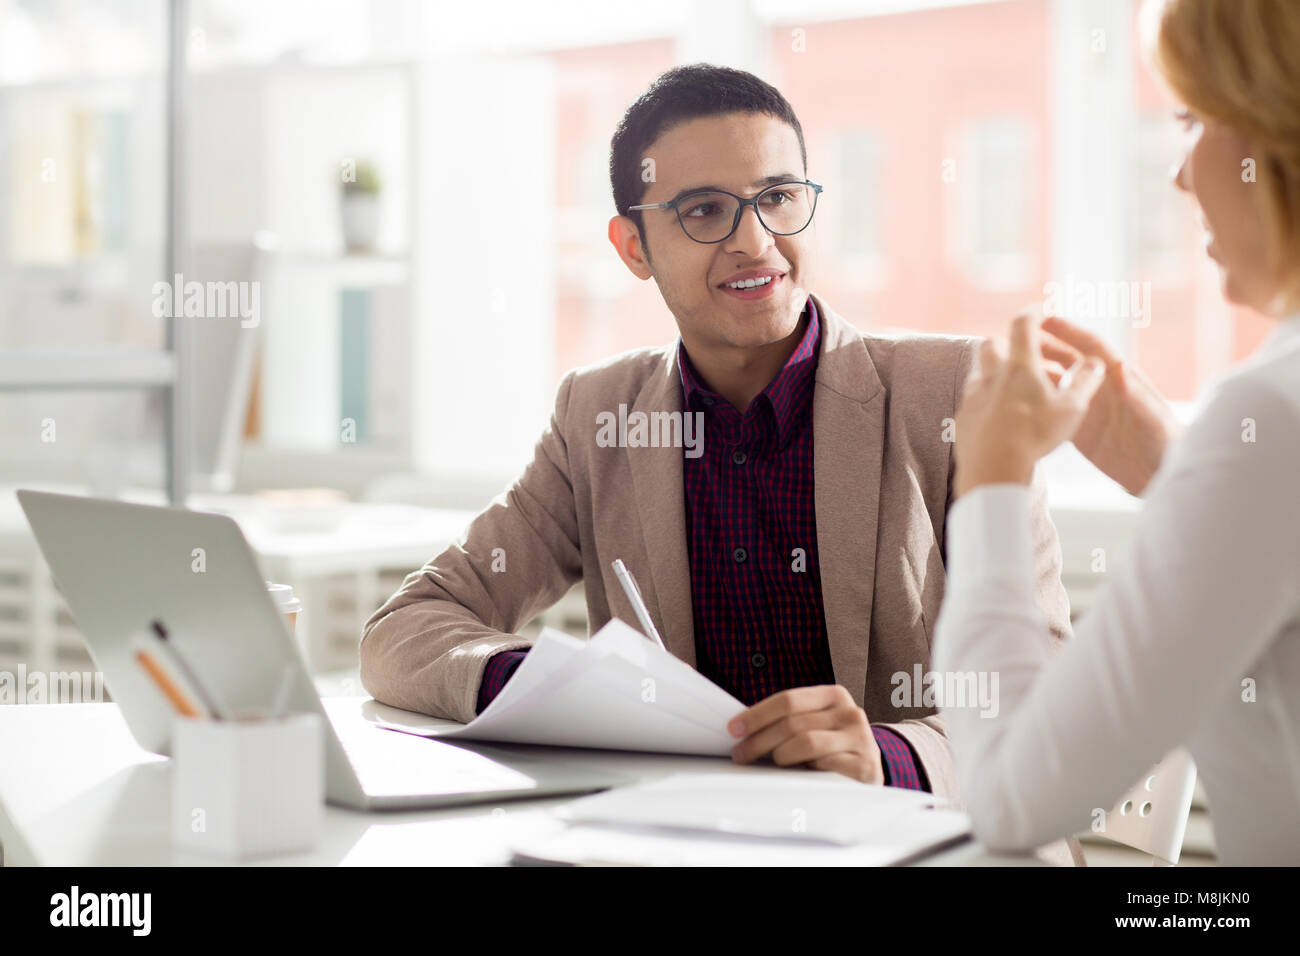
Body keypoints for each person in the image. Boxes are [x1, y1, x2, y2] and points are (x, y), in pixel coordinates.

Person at [361, 64, 1081, 862]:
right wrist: (550, 691)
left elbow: (1048, 701)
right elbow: (404, 632)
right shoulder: (598, 416)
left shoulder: (951, 392)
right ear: (632, 245)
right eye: (704, 210)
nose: (755, 241)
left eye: (777, 197)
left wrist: (891, 756)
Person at [935, 0, 1300, 865]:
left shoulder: (1270, 414)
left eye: (1195, 119)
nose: (1180, 175)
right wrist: (1180, 474)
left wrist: (988, 481)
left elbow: (1011, 798)